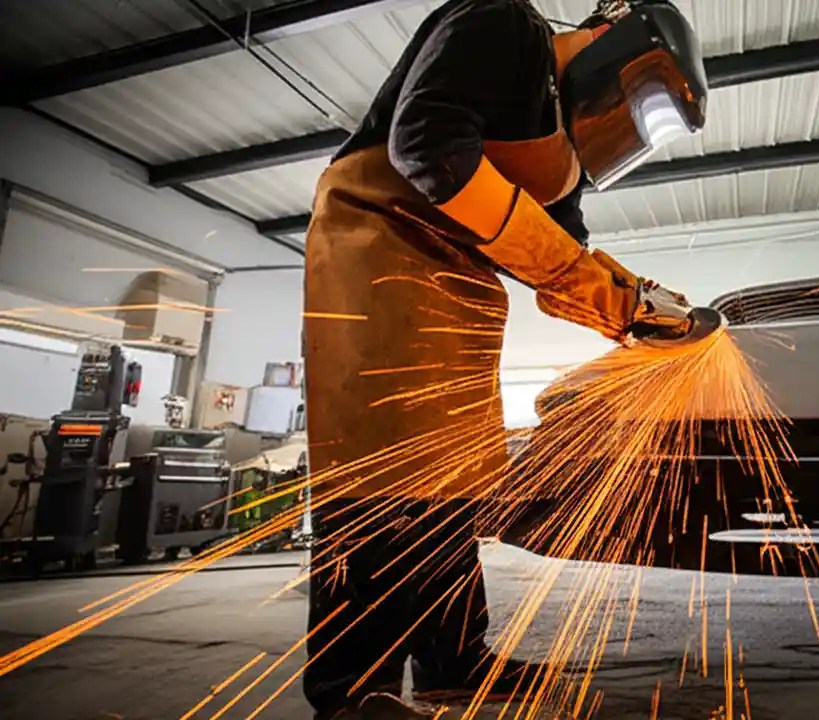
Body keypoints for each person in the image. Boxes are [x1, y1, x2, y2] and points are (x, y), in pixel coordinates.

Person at [299, 1, 708, 717]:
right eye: (635, 99)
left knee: (455, 469)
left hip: (459, 286)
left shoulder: (565, 162)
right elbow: (427, 144)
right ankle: (350, 689)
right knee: (380, 467)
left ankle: (454, 659)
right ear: (613, 37)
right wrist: (619, 299)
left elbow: (558, 262)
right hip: (375, 249)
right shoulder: (500, 22)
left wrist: (636, 311)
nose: (623, 125)